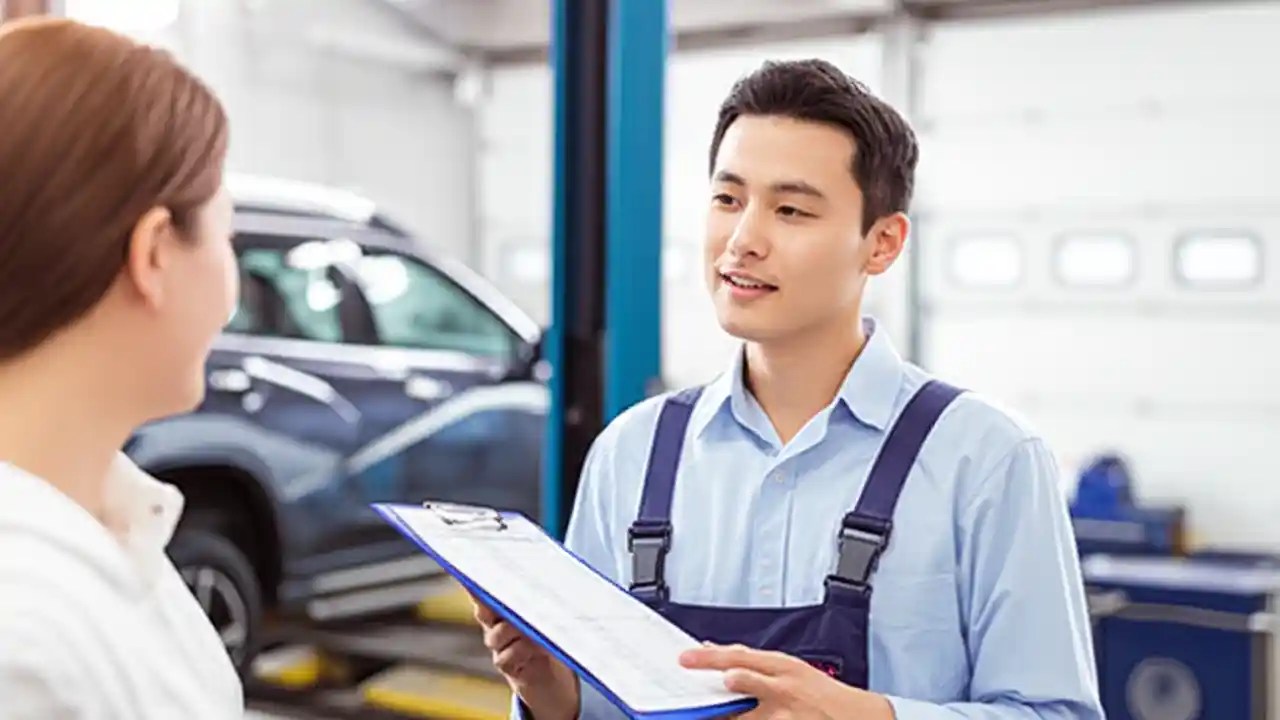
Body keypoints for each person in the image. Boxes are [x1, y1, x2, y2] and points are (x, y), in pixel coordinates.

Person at [475, 59, 1104, 720]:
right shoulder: (629, 455)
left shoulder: (986, 461)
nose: (743, 240)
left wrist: (872, 717)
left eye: (791, 209)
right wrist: (555, 699)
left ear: (882, 244)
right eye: (727, 199)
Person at [0, 17, 242, 719]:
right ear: (156, 253)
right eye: (227, 234)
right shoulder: (26, 643)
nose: (233, 291)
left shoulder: (115, 524)